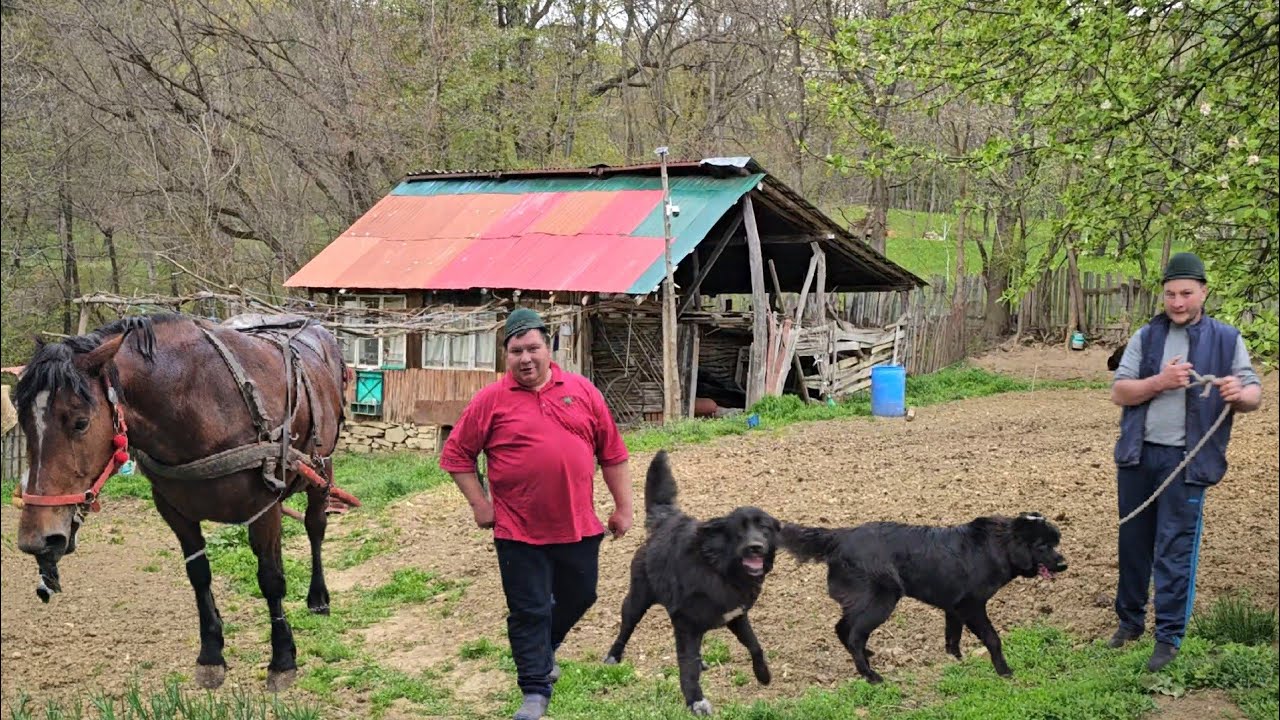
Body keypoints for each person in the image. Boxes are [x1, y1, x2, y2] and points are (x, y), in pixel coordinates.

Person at [440, 308, 633, 720]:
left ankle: (543, 652)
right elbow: (456, 455)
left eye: (532, 349)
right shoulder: (490, 400)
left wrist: (623, 508)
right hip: (518, 529)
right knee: (529, 609)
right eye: (515, 351)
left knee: (582, 595)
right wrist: (480, 504)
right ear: (505, 356)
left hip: (578, 523)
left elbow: (613, 454)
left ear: (549, 348)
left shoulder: (583, 392)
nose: (525, 358)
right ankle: (534, 691)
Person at [1108, 252, 1262, 672]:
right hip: (1139, 456)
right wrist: (1159, 382)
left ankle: (1169, 636)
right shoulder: (1146, 337)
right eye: (1171, 294)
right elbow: (1120, 392)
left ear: (1204, 292)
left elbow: (1253, 395)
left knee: (1175, 549)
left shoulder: (1227, 339)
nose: (1177, 302)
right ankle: (1129, 623)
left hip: (1188, 461)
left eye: (1186, 294)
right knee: (1133, 545)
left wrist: (1238, 394)